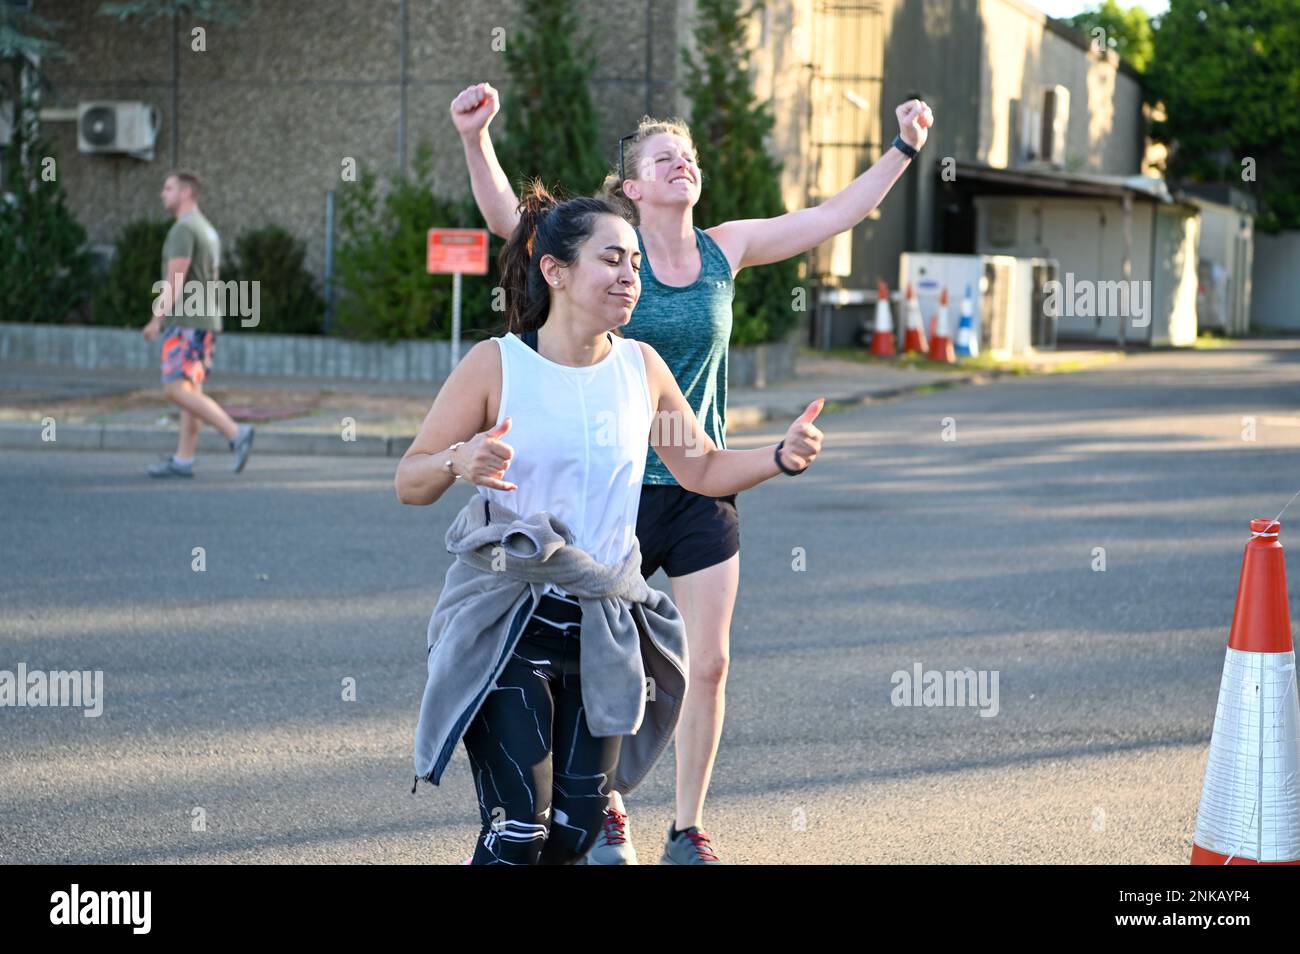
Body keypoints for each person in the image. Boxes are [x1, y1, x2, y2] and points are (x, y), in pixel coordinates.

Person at [451, 81, 930, 863]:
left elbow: (833, 215)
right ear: (631, 186)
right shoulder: (608, 250)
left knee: (707, 663)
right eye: (663, 156)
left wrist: (904, 147)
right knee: (611, 658)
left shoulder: (725, 248)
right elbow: (512, 220)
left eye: (690, 155)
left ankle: (687, 826)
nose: (683, 163)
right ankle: (602, 806)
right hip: (615, 490)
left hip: (703, 481)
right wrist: (476, 139)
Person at [396, 183, 824, 865]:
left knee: (570, 836)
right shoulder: (496, 363)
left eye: (634, 263)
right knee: (518, 832)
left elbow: (702, 470)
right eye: (612, 260)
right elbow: (408, 480)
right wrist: (458, 459)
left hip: (603, 625)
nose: (630, 276)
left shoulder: (640, 367)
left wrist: (778, 455)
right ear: (557, 271)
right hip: (512, 618)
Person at [142, 170, 254, 478]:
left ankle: (235, 432)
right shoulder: (206, 229)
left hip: (188, 320)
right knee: (191, 391)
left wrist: (156, 318)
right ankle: (184, 459)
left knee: (174, 389)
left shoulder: (183, 229)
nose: (162, 194)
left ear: (186, 193)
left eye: (168, 188)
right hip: (205, 318)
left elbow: (175, 278)